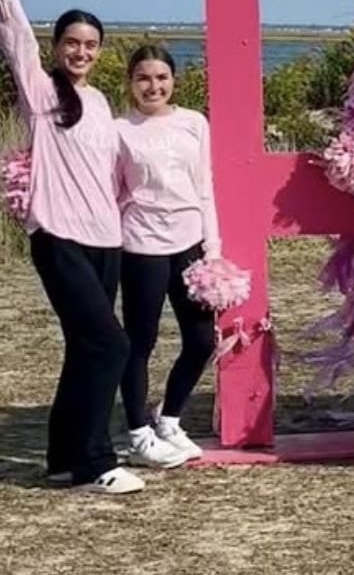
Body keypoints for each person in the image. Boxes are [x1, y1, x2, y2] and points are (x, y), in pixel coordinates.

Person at [0, 0, 140, 493]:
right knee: (111, 345)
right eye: (71, 43)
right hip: (58, 237)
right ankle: (95, 461)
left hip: (106, 241)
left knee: (85, 348)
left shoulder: (101, 102)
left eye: (90, 45)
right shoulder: (41, 92)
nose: (80, 52)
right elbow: (13, 32)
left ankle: (61, 460)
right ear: (56, 47)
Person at [114, 45, 220, 470]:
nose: (153, 86)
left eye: (161, 77)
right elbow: (112, 190)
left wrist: (213, 247)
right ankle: (138, 433)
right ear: (130, 82)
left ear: (173, 80)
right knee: (140, 342)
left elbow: (204, 186)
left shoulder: (194, 123)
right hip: (140, 246)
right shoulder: (119, 128)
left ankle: (169, 419)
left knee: (200, 340)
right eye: (143, 78)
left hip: (190, 242)